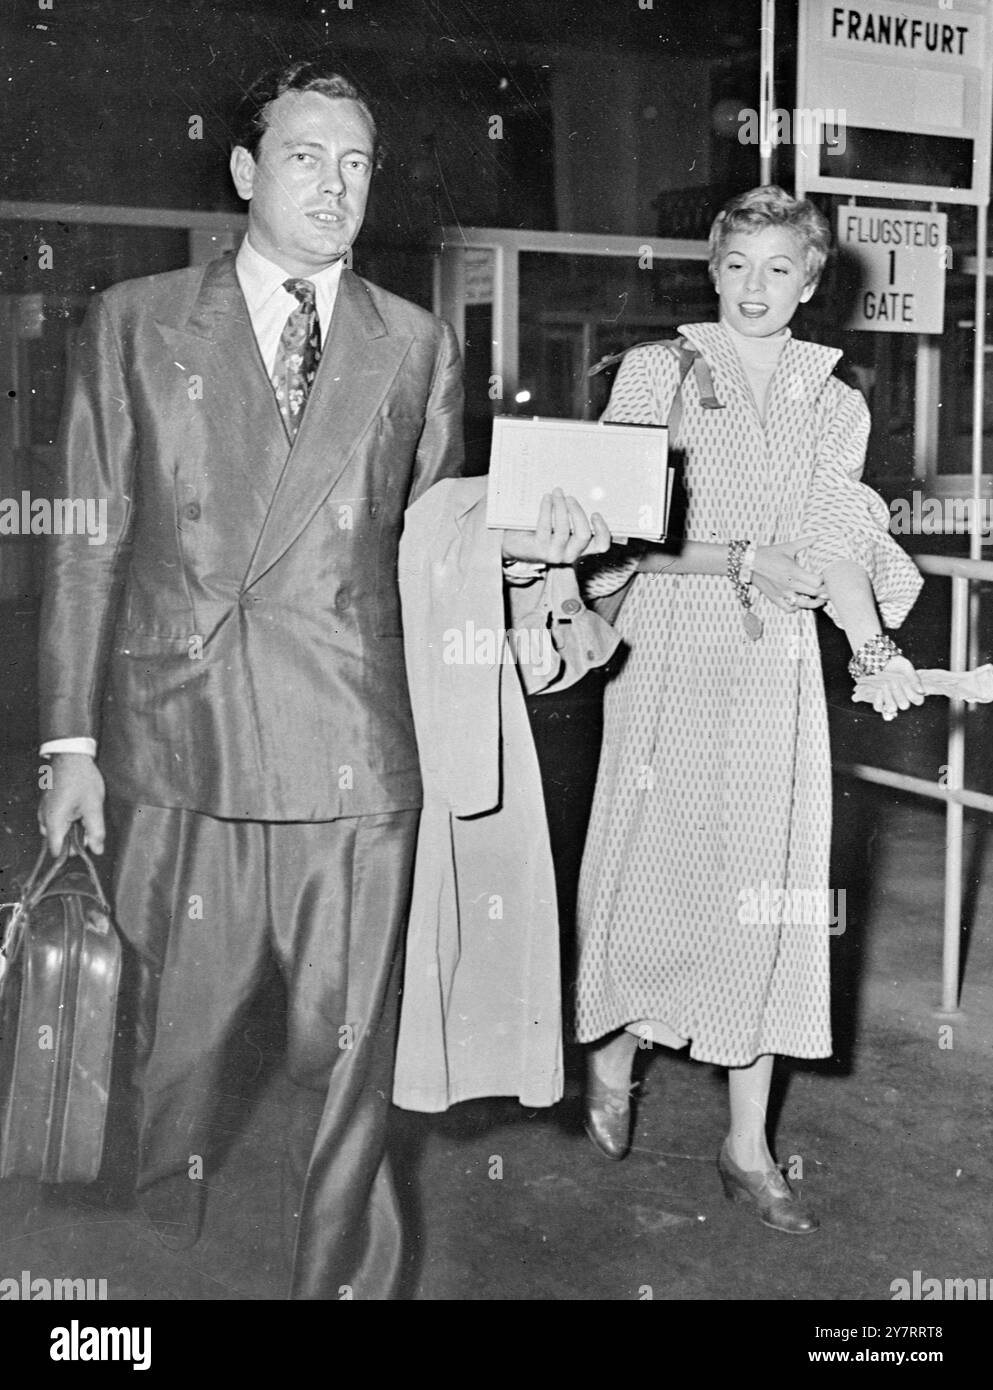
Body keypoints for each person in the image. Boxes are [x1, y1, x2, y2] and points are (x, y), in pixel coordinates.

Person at [36, 57, 606, 1299]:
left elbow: (427, 544)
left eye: (355, 163)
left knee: (349, 1055)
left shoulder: (412, 343)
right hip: (176, 739)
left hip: (357, 745)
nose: (335, 185)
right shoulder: (137, 320)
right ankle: (155, 1246)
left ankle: (339, 1281)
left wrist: (527, 546)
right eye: (305, 156)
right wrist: (69, 748)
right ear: (245, 171)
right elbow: (88, 534)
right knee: (172, 1048)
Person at [575, 185, 925, 1234]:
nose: (756, 288)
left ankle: (746, 1141)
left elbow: (833, 542)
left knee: (765, 892)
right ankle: (614, 1046)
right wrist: (740, 557)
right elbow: (608, 532)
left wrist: (872, 645)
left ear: (813, 281)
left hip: (773, 672)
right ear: (712, 268)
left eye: (781, 269)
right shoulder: (659, 370)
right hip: (668, 650)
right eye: (738, 265)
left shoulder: (835, 400)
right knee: (646, 861)